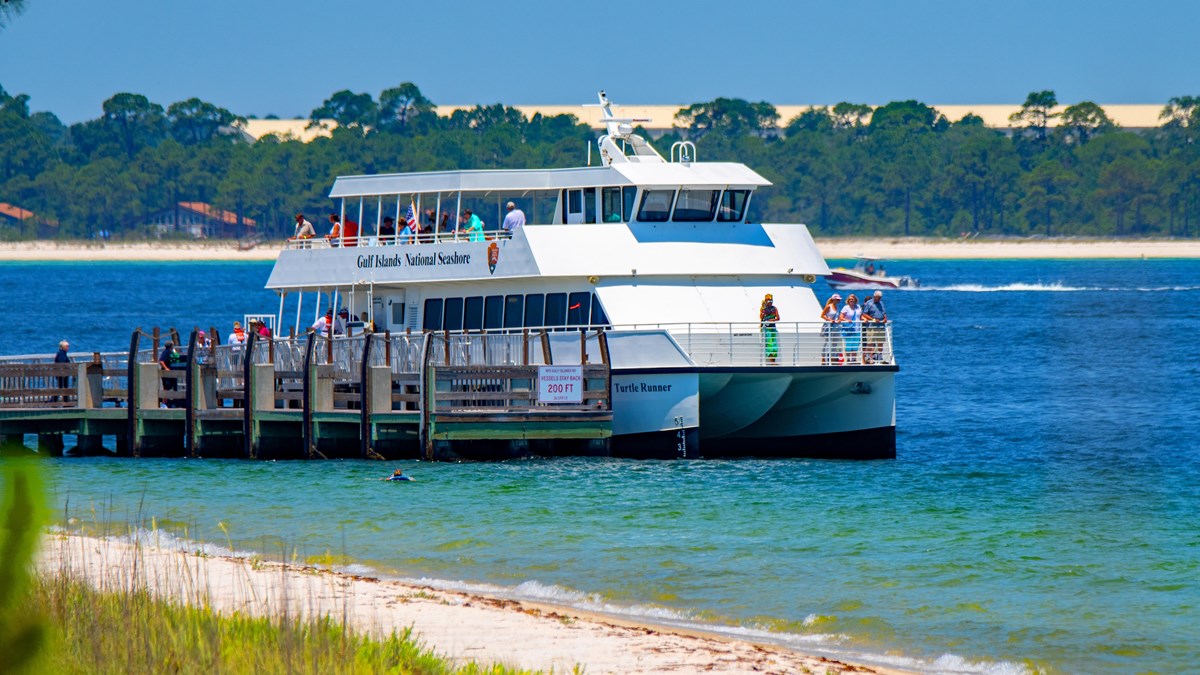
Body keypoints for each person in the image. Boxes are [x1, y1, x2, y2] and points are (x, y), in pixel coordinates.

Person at [861, 290, 888, 363]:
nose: (878, 299)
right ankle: (867, 357)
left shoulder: (881, 303)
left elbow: (884, 312)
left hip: (881, 326)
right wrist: (873, 319)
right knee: (870, 342)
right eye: (877, 298)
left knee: (880, 342)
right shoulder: (869, 303)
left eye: (879, 298)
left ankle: (879, 356)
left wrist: (885, 318)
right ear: (874, 297)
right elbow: (864, 314)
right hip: (872, 326)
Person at [839, 294, 863, 363]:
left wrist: (865, 319)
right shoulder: (846, 308)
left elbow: (860, 316)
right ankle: (848, 360)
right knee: (848, 344)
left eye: (852, 299)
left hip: (857, 328)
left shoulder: (858, 307)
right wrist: (846, 320)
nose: (851, 300)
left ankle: (854, 359)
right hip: (849, 328)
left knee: (855, 344)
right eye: (850, 299)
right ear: (848, 300)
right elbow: (841, 317)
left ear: (855, 300)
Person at [159, 340, 183, 407]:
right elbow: (161, 361)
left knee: (173, 387)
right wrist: (166, 368)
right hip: (167, 374)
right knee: (166, 388)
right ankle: (164, 403)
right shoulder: (166, 352)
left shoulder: (171, 352)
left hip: (172, 373)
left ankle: (174, 402)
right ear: (171, 346)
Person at [820, 294, 842, 365]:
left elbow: (837, 317)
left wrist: (839, 320)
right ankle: (823, 359)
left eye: (839, 299)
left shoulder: (837, 307)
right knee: (827, 342)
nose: (839, 300)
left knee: (834, 343)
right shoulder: (828, 306)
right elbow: (822, 315)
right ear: (833, 299)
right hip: (829, 326)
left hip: (835, 327)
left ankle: (831, 359)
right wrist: (829, 319)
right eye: (837, 299)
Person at [760, 293, 780, 364]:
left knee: (774, 345)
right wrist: (762, 309)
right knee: (770, 345)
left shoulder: (774, 308)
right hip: (767, 329)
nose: (770, 302)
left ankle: (773, 361)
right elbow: (762, 318)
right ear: (766, 301)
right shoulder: (764, 309)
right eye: (769, 300)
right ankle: (772, 362)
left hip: (773, 327)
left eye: (771, 300)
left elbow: (778, 318)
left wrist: (770, 320)